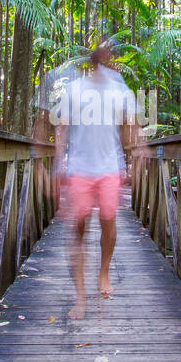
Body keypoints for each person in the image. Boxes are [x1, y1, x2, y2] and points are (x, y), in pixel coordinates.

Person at [51, 40, 137, 319]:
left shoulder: (119, 86)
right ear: (93, 62)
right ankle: (80, 296)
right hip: (79, 168)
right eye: (100, 57)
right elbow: (61, 127)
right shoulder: (75, 89)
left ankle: (103, 272)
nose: (105, 60)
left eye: (108, 56)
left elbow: (131, 124)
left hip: (111, 166)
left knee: (108, 221)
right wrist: (58, 163)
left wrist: (138, 154)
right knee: (78, 229)